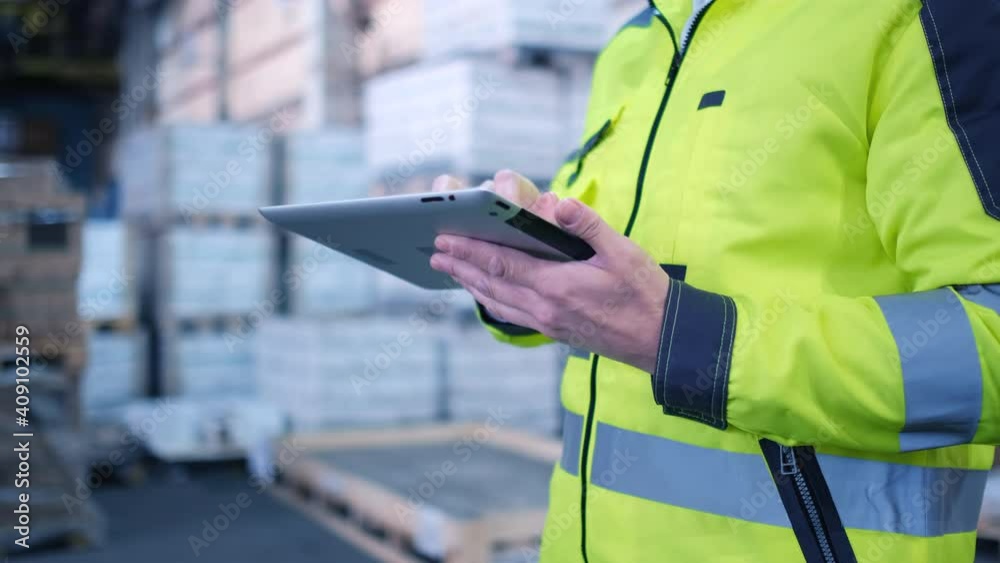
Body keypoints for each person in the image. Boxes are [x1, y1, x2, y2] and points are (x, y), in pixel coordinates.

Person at [429, 0, 1000, 561]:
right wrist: (512, 267)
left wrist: (688, 342)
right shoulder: (636, 41)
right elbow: (611, 296)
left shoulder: (920, 16)